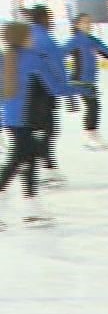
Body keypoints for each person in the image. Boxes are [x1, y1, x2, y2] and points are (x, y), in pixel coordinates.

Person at [1, 20, 60, 228]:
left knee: (28, 158)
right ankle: (31, 207)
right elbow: (53, 86)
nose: (33, 38)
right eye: (29, 35)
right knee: (19, 159)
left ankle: (32, 207)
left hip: (11, 118)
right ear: (23, 37)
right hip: (26, 118)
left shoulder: (3, 58)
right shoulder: (33, 58)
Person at [62, 14, 108, 150]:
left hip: (89, 81)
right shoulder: (75, 40)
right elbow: (60, 55)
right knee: (92, 106)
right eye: (85, 22)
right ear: (77, 25)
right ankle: (91, 136)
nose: (89, 24)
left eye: (90, 22)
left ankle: (93, 135)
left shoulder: (93, 40)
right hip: (79, 80)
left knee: (94, 106)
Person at [21, 6, 70, 187]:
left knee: (38, 130)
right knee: (47, 130)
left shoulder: (26, 35)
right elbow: (58, 66)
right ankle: (44, 169)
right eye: (50, 17)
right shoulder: (45, 38)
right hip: (43, 90)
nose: (52, 21)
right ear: (43, 18)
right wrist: (67, 92)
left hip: (25, 90)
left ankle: (44, 167)